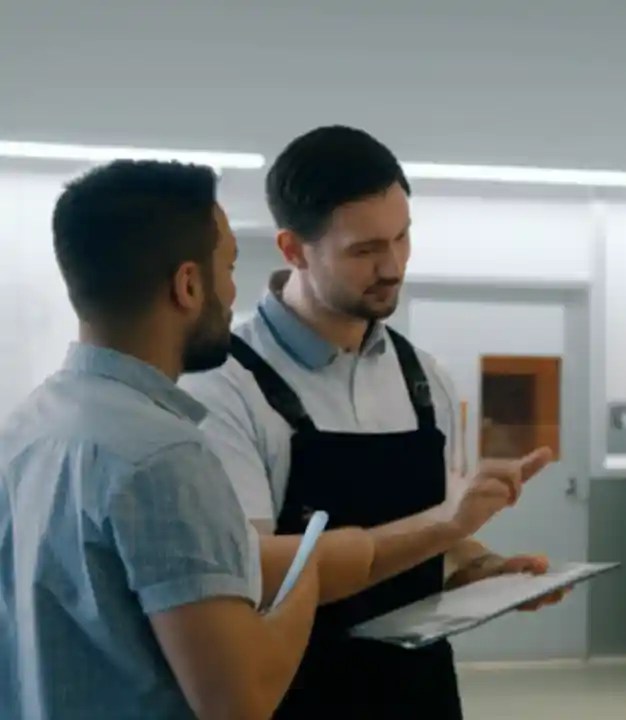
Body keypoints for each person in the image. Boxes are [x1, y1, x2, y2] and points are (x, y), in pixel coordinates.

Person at [180, 125, 567, 719]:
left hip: (422, 698)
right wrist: (446, 528)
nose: (393, 267)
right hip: (297, 700)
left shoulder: (423, 378)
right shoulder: (226, 387)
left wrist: (483, 568)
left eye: (403, 237)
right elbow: (251, 573)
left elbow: (435, 534)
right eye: (364, 250)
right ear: (292, 249)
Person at [0, 160, 321, 720]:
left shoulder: (26, 426)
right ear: (189, 285)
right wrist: (308, 575)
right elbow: (239, 701)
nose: (232, 289)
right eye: (230, 267)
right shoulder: (165, 456)